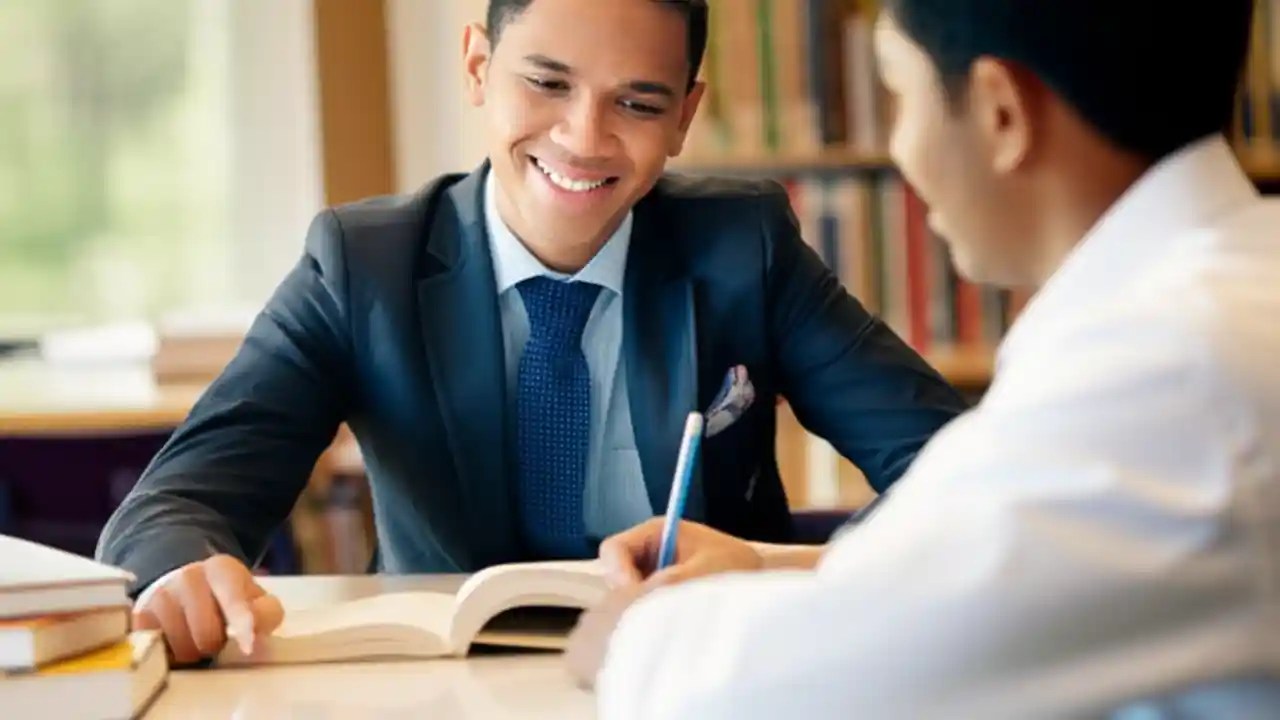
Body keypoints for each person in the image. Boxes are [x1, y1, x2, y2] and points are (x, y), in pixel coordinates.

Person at [95, 0, 967, 666]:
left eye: (637, 100)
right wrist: (183, 571)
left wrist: (781, 574)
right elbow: (174, 505)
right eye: (547, 83)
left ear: (685, 117)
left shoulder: (745, 247)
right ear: (477, 65)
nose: (584, 138)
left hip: (692, 675)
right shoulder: (362, 264)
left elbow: (960, 473)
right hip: (441, 692)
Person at [567, 1, 1280, 717]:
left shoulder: (1164, 365)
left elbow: (820, 684)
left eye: (899, 96)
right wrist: (762, 568)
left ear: (1002, 113)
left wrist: (635, 639)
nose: (904, 149)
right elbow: (998, 567)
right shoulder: (1225, 290)